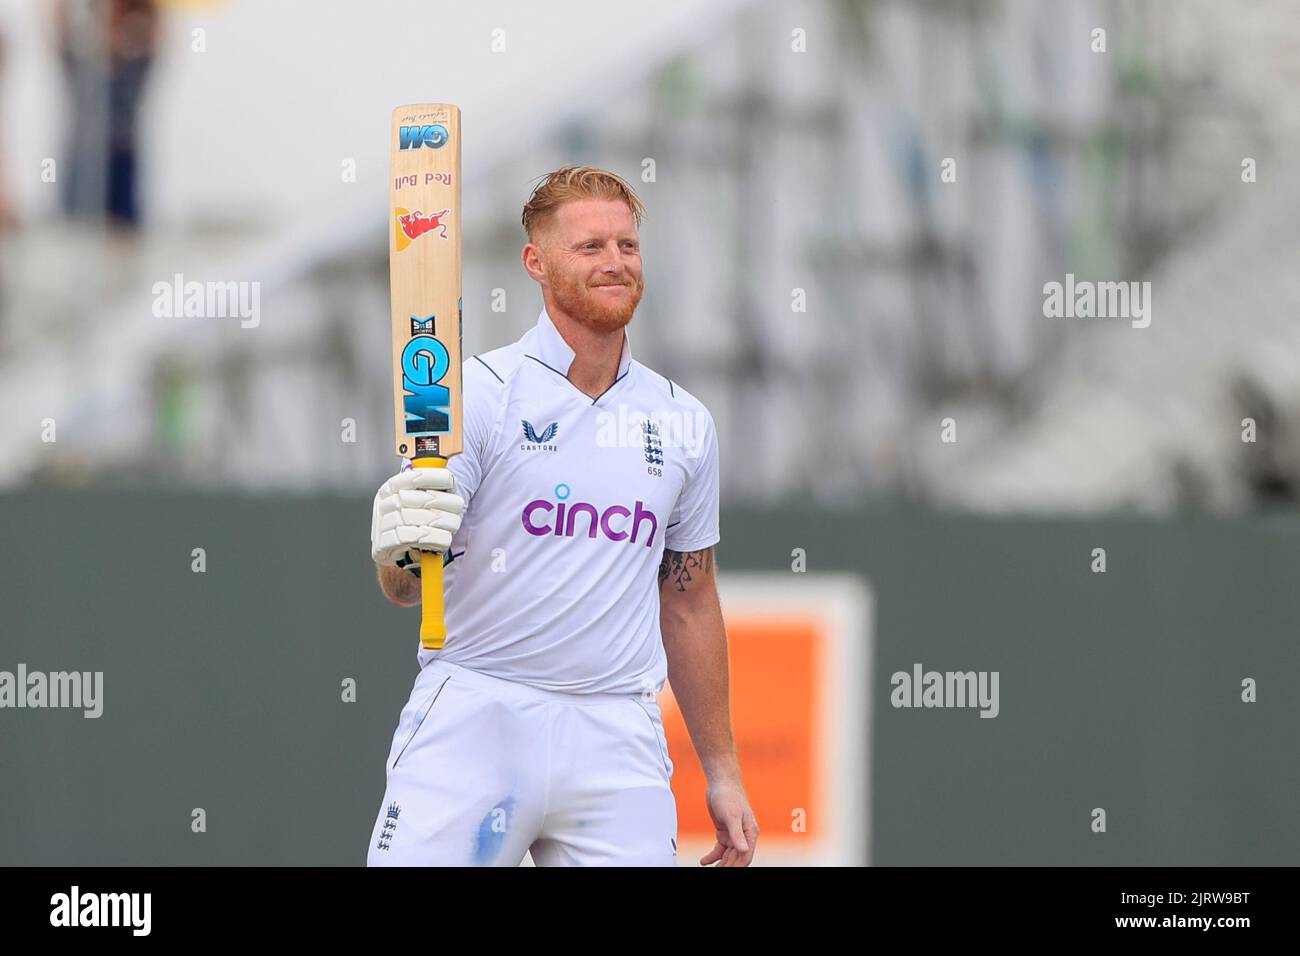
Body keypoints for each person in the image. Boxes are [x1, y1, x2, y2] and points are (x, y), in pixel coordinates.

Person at [367, 166, 757, 866]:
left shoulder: (684, 422)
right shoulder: (475, 395)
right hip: (476, 713)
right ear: (536, 262)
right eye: (590, 247)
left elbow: (690, 600)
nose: (615, 262)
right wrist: (394, 552)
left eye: (627, 246)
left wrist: (722, 771)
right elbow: (405, 585)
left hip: (617, 734)